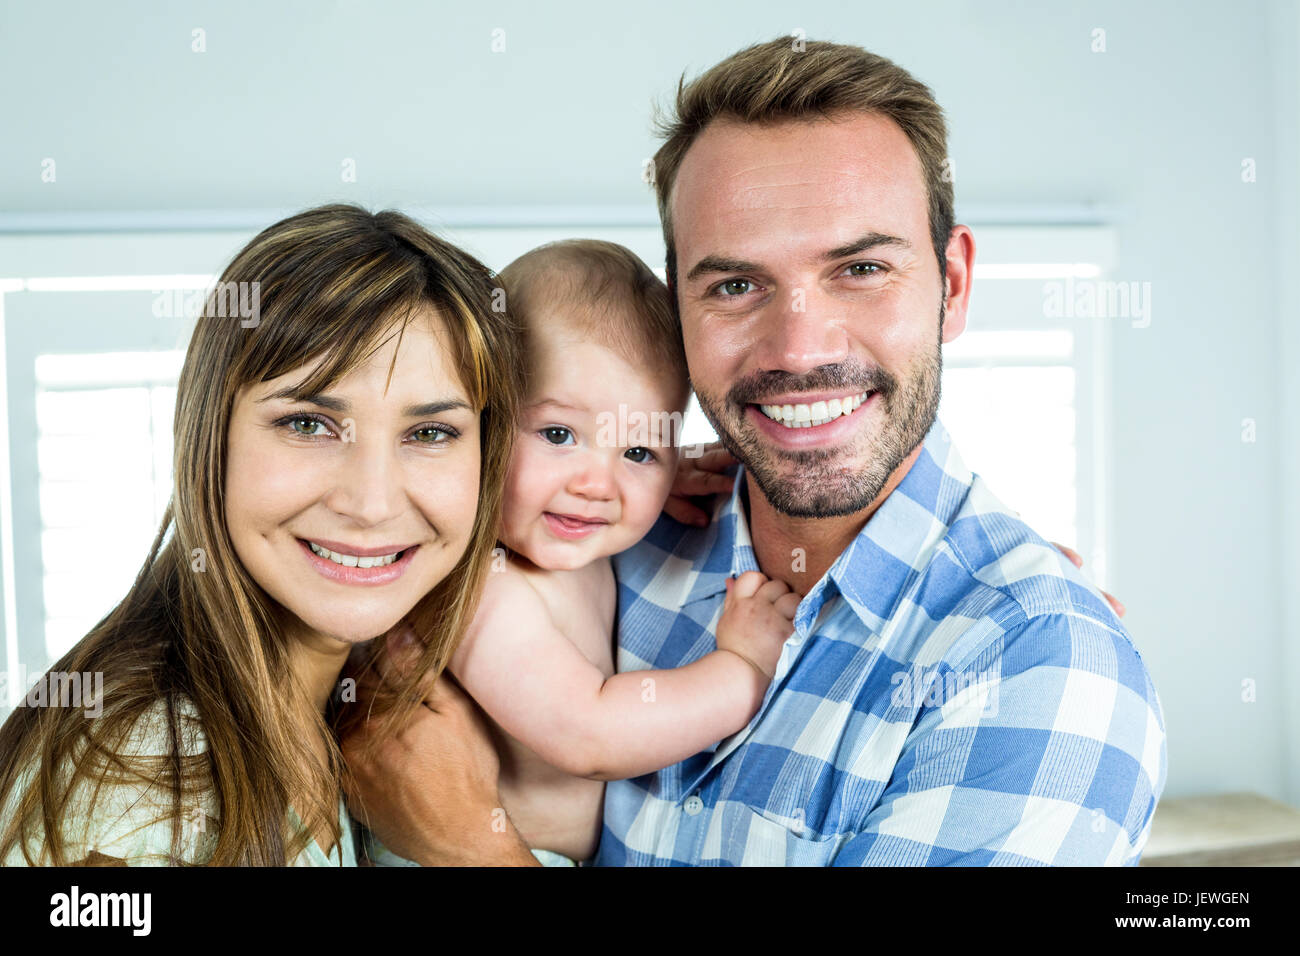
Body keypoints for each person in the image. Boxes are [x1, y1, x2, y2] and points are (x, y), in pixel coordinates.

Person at [344, 37, 1168, 867]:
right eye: (735, 285)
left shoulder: (1035, 667)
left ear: (951, 285)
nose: (799, 350)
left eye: (861, 268)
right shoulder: (620, 523)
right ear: (680, 318)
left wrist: (465, 841)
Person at [0, 204, 524, 865]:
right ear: (210, 439)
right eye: (308, 423)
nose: (370, 502)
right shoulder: (143, 788)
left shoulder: (352, 715)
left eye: (429, 433)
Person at [362, 240, 800, 868]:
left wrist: (658, 474)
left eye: (638, 450)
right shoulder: (481, 585)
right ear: (479, 422)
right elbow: (588, 731)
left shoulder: (579, 527)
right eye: (559, 435)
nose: (596, 485)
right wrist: (740, 670)